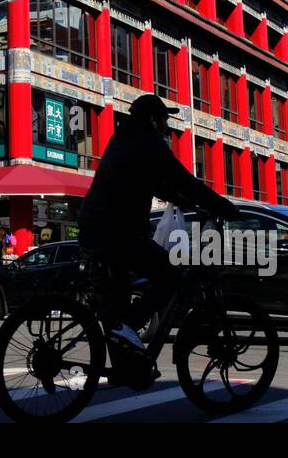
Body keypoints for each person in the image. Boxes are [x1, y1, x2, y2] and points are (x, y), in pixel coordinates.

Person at [77, 94, 239, 358]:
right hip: (114, 231)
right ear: (153, 119)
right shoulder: (149, 142)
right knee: (170, 275)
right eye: (164, 119)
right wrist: (224, 206)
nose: (167, 126)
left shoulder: (125, 139)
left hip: (100, 229)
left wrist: (184, 202)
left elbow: (156, 184)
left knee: (119, 303)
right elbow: (183, 179)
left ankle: (126, 365)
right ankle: (128, 327)